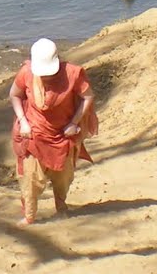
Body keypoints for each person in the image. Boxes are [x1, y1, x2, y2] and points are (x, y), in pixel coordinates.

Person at [7, 38, 96, 227]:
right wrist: (23, 121)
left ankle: (61, 206)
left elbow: (87, 97)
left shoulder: (72, 74)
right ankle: (30, 215)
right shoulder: (26, 73)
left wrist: (74, 122)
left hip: (62, 136)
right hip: (33, 134)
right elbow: (15, 95)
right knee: (30, 178)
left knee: (63, 177)